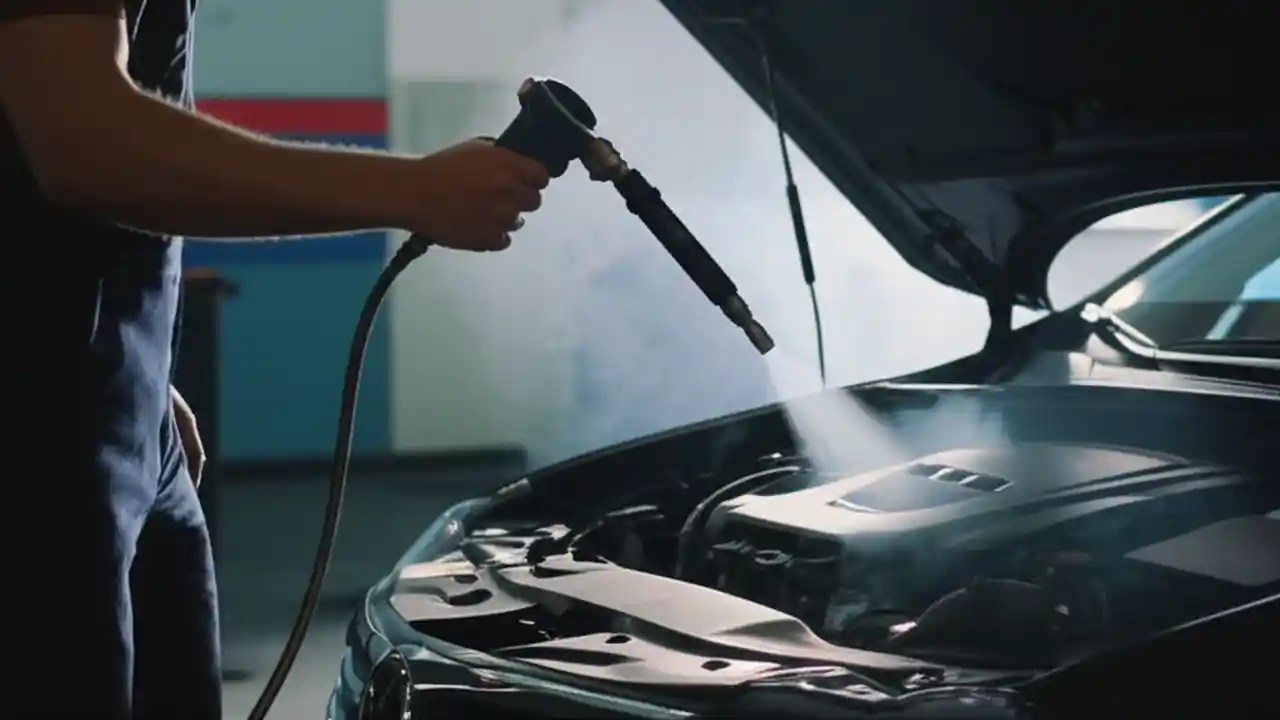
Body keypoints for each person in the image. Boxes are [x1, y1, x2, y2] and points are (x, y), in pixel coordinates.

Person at [0, 1, 549, 717]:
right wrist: (415, 190)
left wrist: (139, 368)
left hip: (117, 406)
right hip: (37, 430)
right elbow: (83, 139)